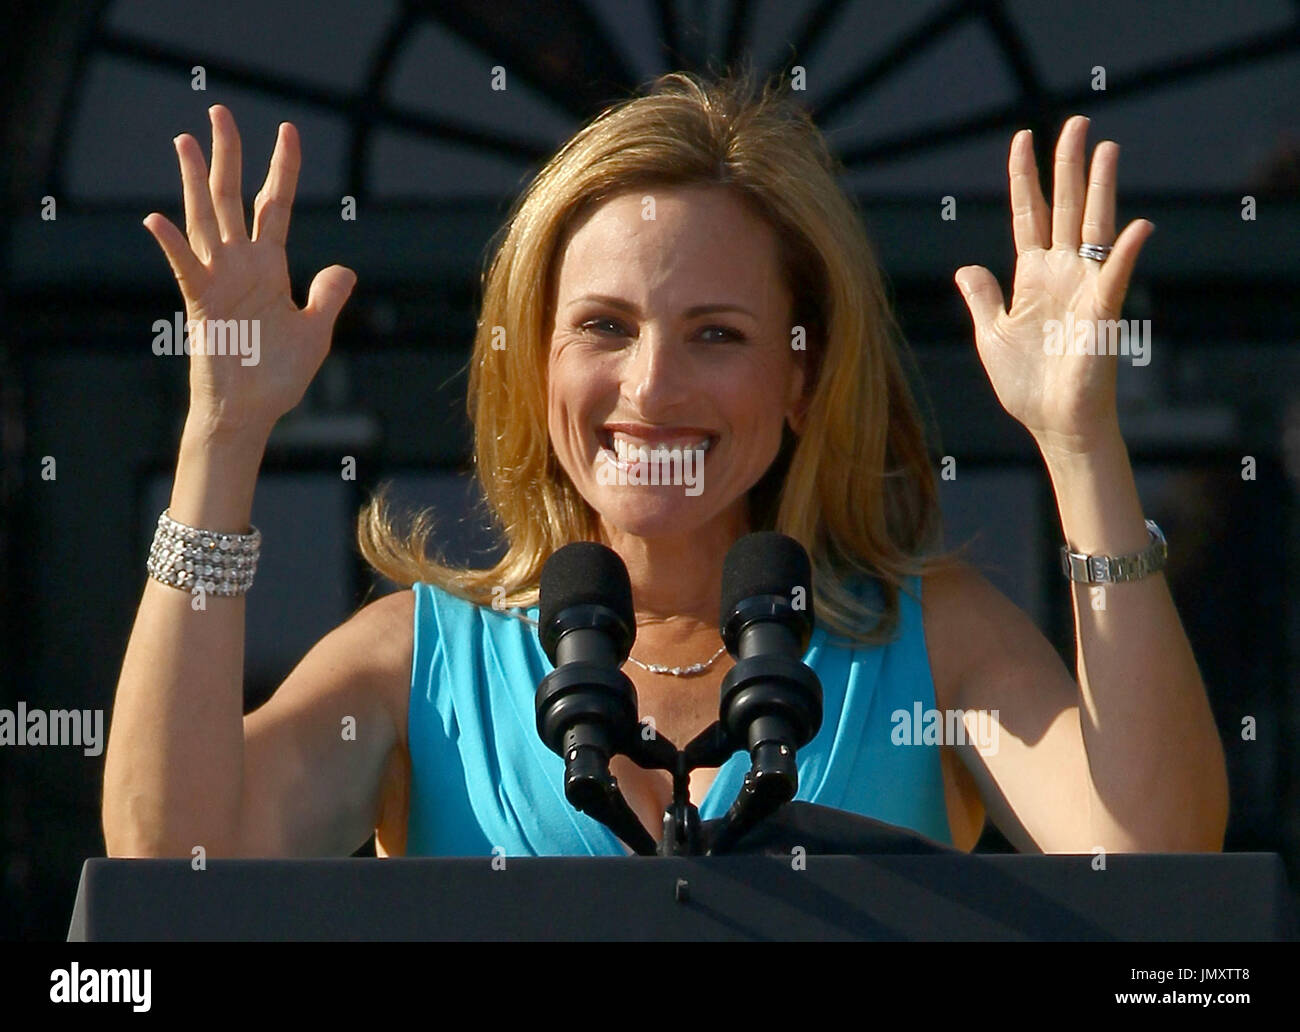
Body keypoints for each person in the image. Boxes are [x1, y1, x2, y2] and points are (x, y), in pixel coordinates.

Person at [102, 71, 1227, 860]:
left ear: (798, 375)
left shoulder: (932, 640)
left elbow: (1153, 848)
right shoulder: (412, 664)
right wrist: (223, 435)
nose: (650, 388)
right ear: (536, 363)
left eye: (717, 334)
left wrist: (1082, 447)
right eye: (602, 327)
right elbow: (171, 858)